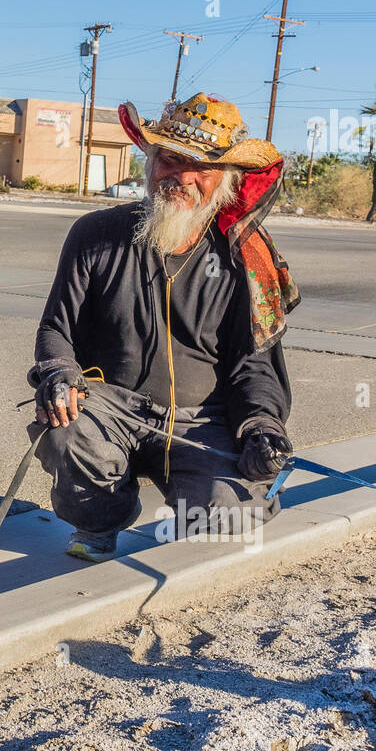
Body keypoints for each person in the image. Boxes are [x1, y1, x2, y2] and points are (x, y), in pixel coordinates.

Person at [29, 94, 300, 561]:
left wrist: (262, 426)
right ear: (151, 161)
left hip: (201, 421)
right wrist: (59, 373)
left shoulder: (244, 258)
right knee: (66, 431)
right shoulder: (95, 235)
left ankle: (193, 498)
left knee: (233, 512)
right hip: (109, 408)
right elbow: (57, 327)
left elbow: (253, 365)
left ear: (225, 181)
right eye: (171, 160)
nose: (182, 177)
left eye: (202, 168)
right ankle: (100, 522)